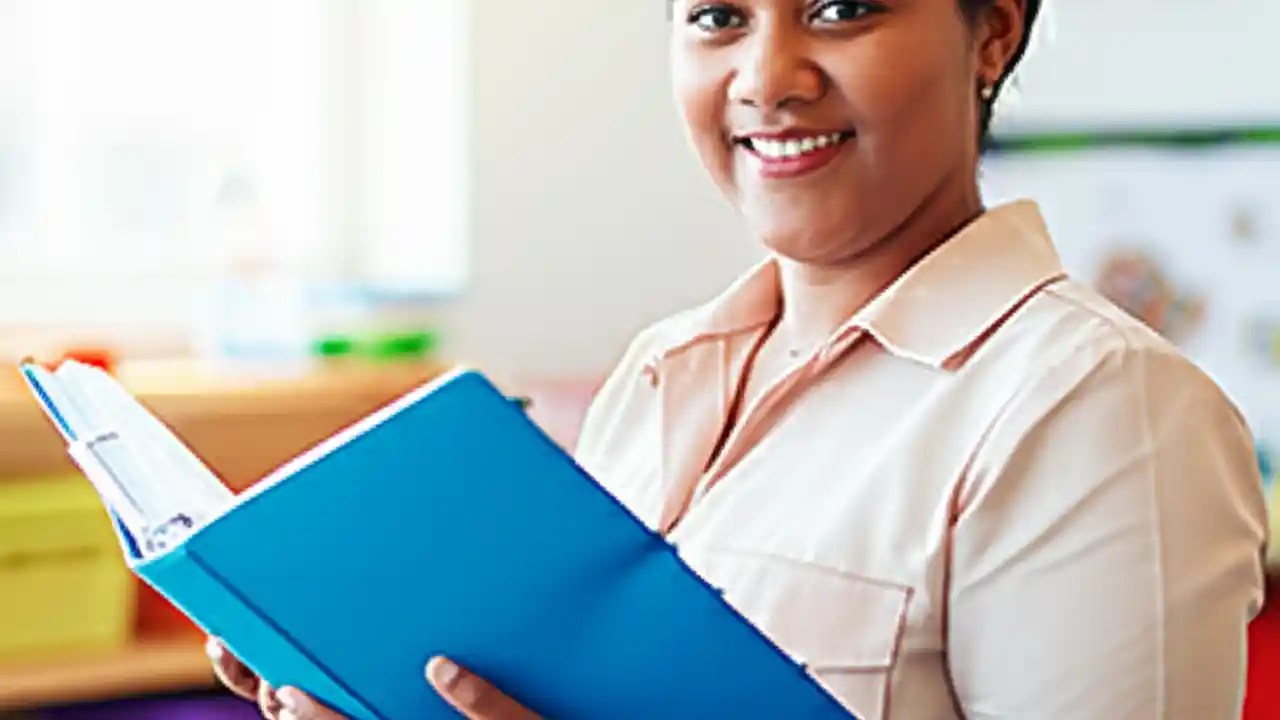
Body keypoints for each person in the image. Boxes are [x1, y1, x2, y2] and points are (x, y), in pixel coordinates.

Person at [209, 0, 1270, 717]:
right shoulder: (658, 372)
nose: (766, 77)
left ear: (990, 32)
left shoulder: (1102, 412)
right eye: (717, 16)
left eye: (841, 7)